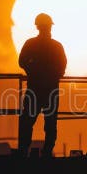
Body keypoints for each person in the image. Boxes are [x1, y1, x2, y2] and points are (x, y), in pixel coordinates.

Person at [17, 13, 67, 158]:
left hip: (35, 88)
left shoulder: (31, 44)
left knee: (27, 121)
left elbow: (22, 62)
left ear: (37, 27)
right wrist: (54, 75)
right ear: (50, 27)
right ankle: (46, 152)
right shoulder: (56, 46)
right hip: (51, 89)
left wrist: (32, 71)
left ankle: (23, 151)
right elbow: (62, 66)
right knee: (50, 122)